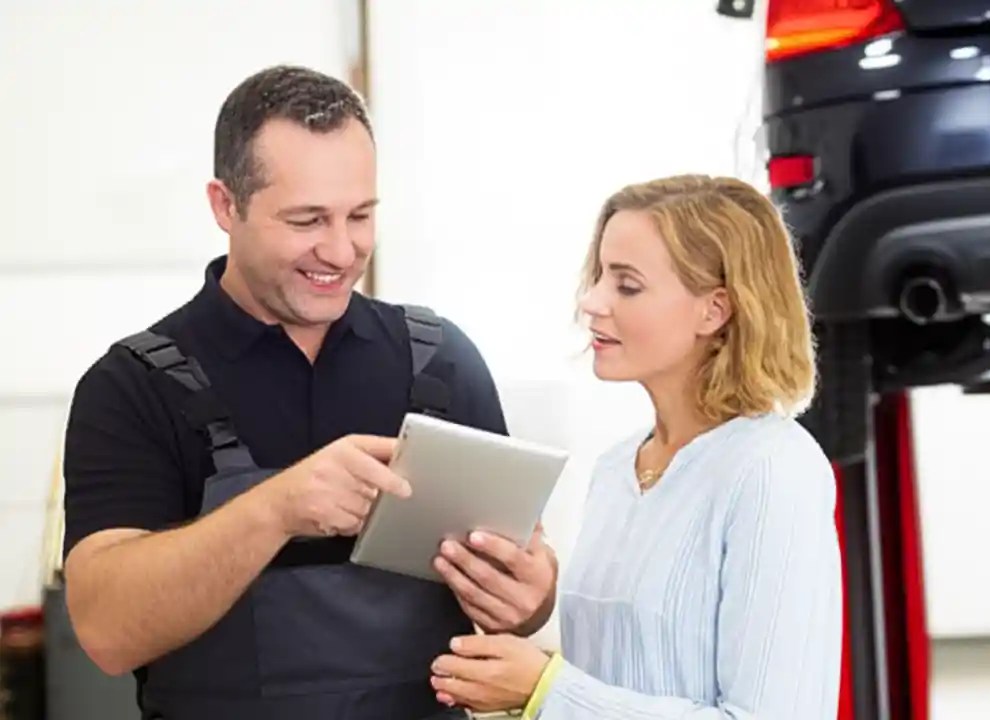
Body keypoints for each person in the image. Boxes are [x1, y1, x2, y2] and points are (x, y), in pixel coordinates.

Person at [59, 65, 557, 720]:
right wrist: (278, 509)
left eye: (360, 215)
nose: (341, 249)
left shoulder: (442, 362)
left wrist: (531, 594)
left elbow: (520, 594)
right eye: (307, 219)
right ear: (224, 205)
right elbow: (107, 632)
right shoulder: (133, 386)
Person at [429, 175, 844, 718]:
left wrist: (546, 692)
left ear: (713, 310)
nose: (591, 301)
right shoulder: (616, 469)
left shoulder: (773, 469)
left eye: (627, 285)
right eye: (599, 275)